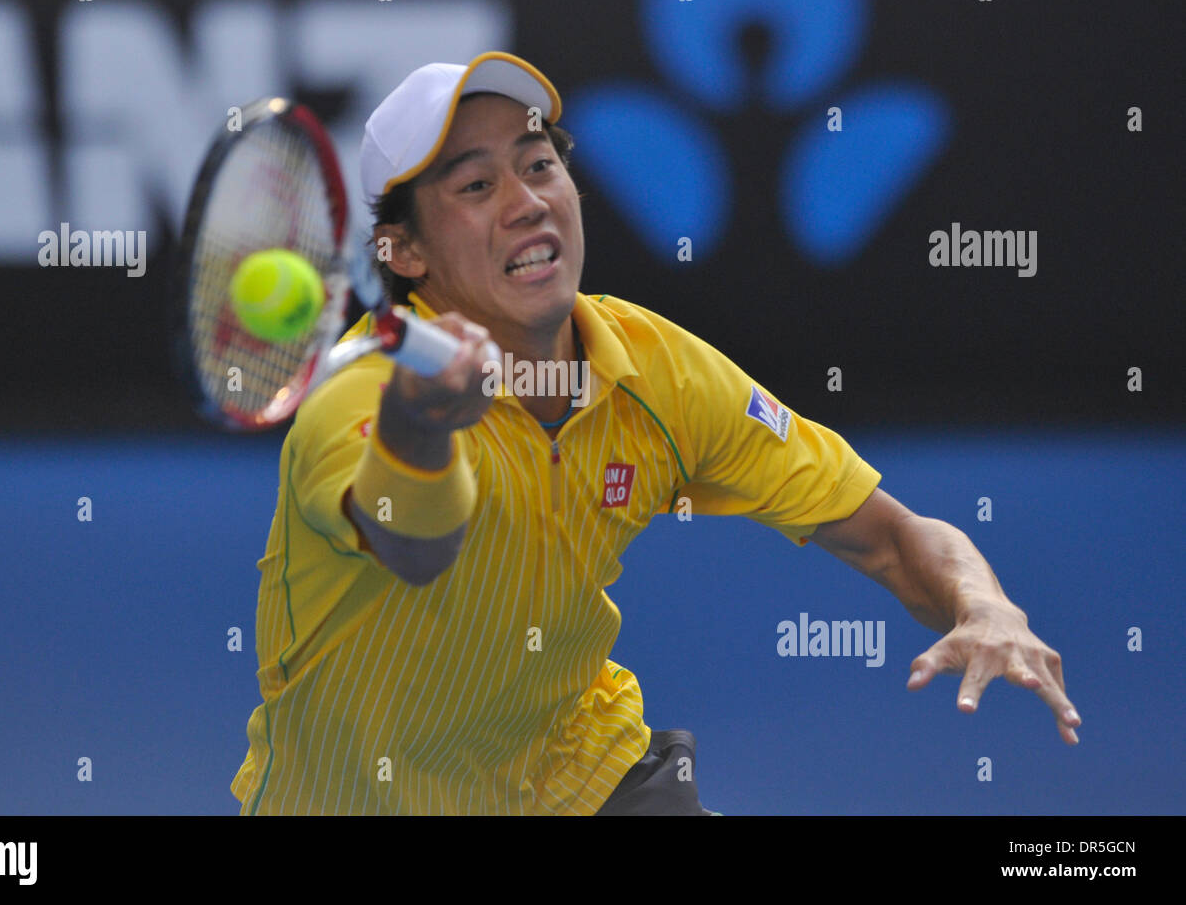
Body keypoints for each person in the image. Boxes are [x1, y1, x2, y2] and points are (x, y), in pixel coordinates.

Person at [230, 51, 1080, 815]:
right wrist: (418, 430)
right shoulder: (359, 397)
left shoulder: (652, 368)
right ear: (404, 251)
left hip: (577, 773)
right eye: (476, 186)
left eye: (538, 165)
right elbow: (413, 548)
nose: (527, 202)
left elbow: (888, 538)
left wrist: (984, 603)